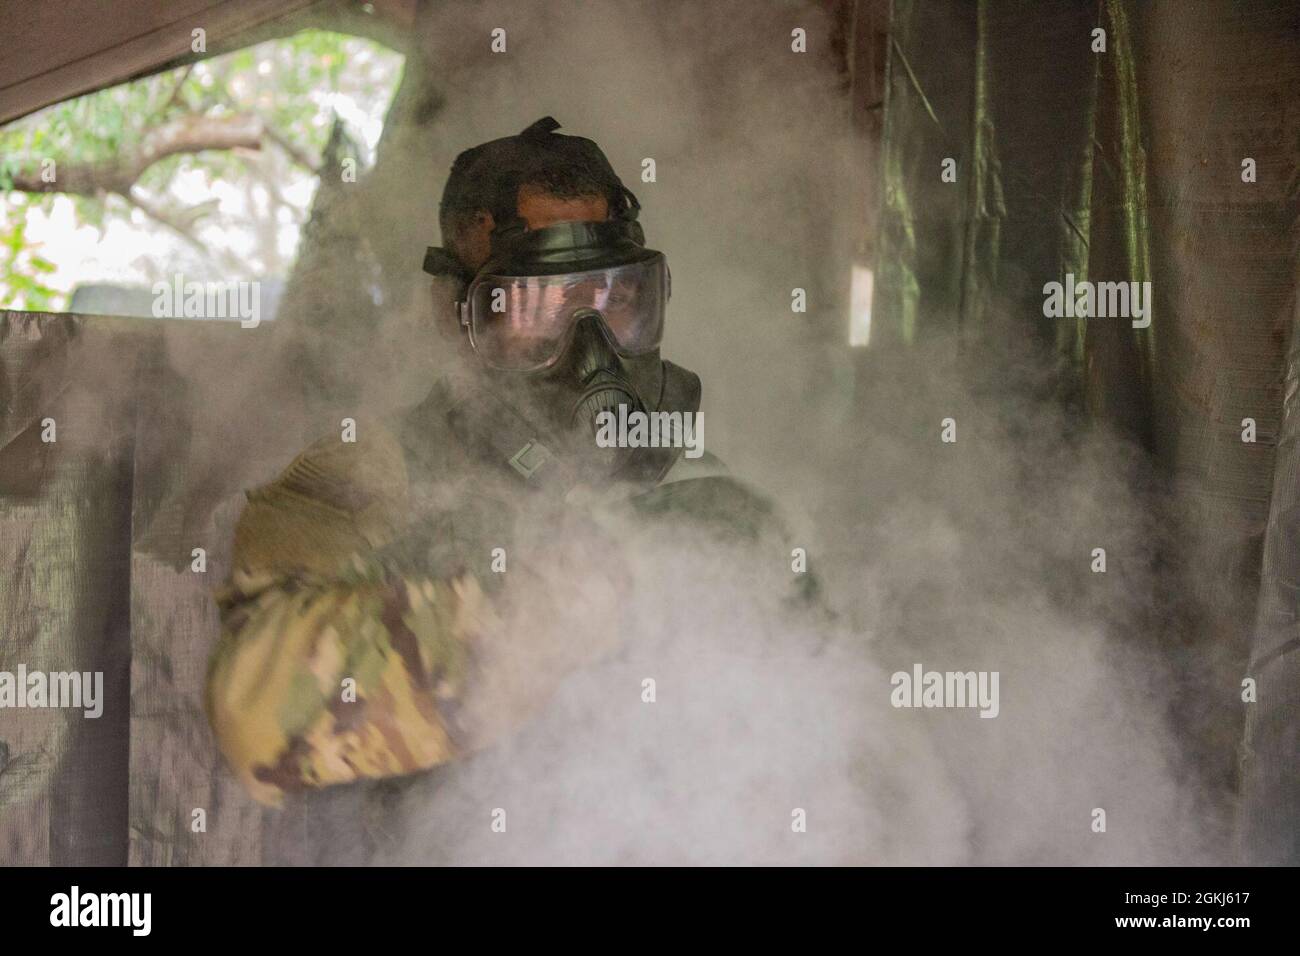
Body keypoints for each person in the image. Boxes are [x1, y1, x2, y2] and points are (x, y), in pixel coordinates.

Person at [205, 118, 816, 853]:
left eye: (616, 300)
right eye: (538, 307)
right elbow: (258, 708)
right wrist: (560, 608)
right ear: (453, 314)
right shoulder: (371, 471)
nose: (592, 353)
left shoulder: (709, 501)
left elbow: (842, 744)